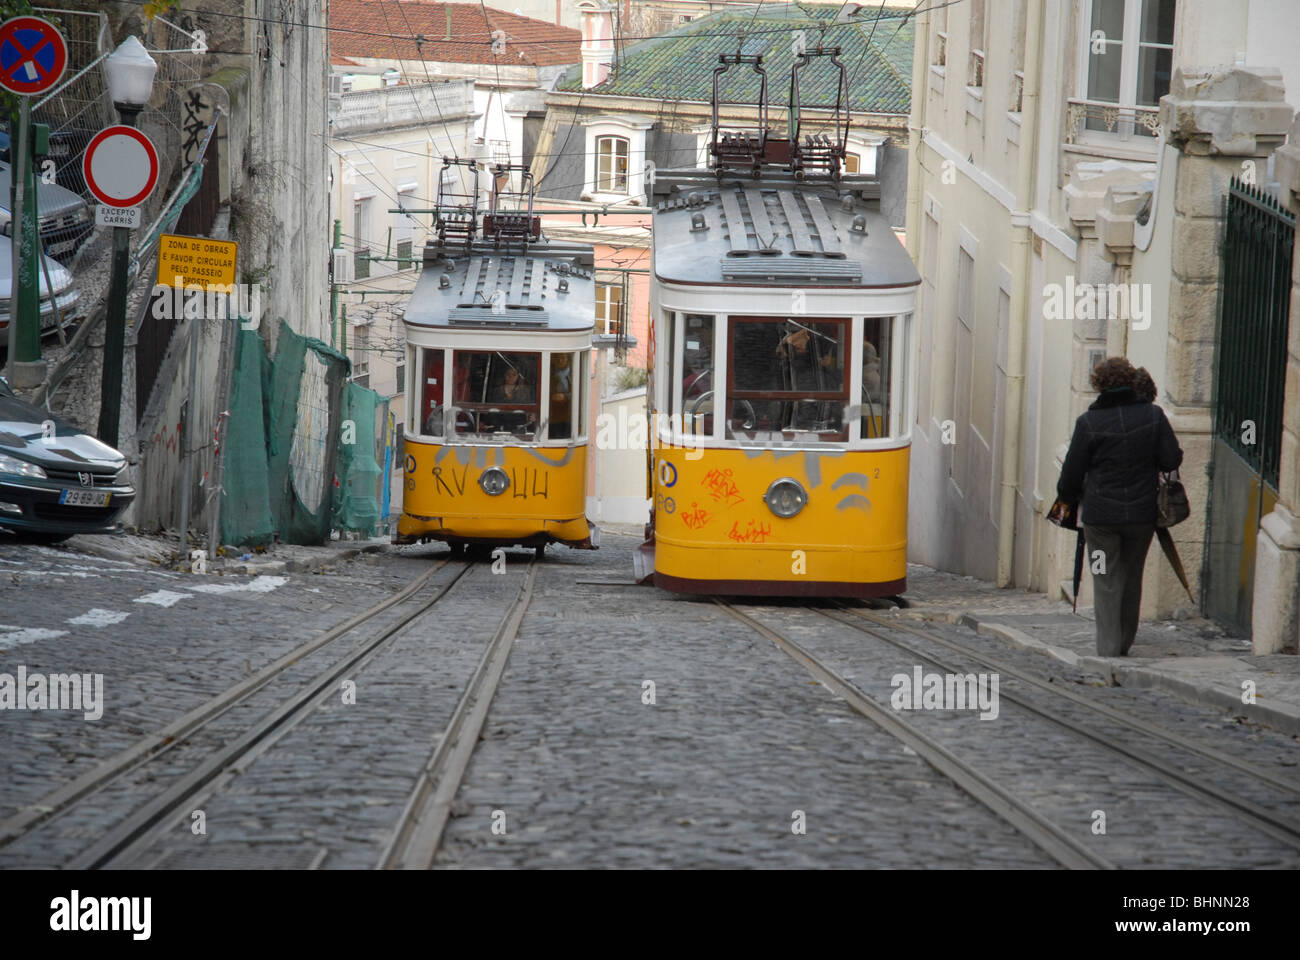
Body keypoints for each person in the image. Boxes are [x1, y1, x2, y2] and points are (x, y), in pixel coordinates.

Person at [1057, 357, 1183, 657]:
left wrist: (1067, 500)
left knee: (1105, 578)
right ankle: (1124, 643)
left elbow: (1071, 476)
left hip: (1101, 519)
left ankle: (1109, 650)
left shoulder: (1089, 423)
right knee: (1131, 576)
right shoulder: (1153, 416)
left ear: (1099, 385)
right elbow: (1171, 460)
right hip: (1141, 516)